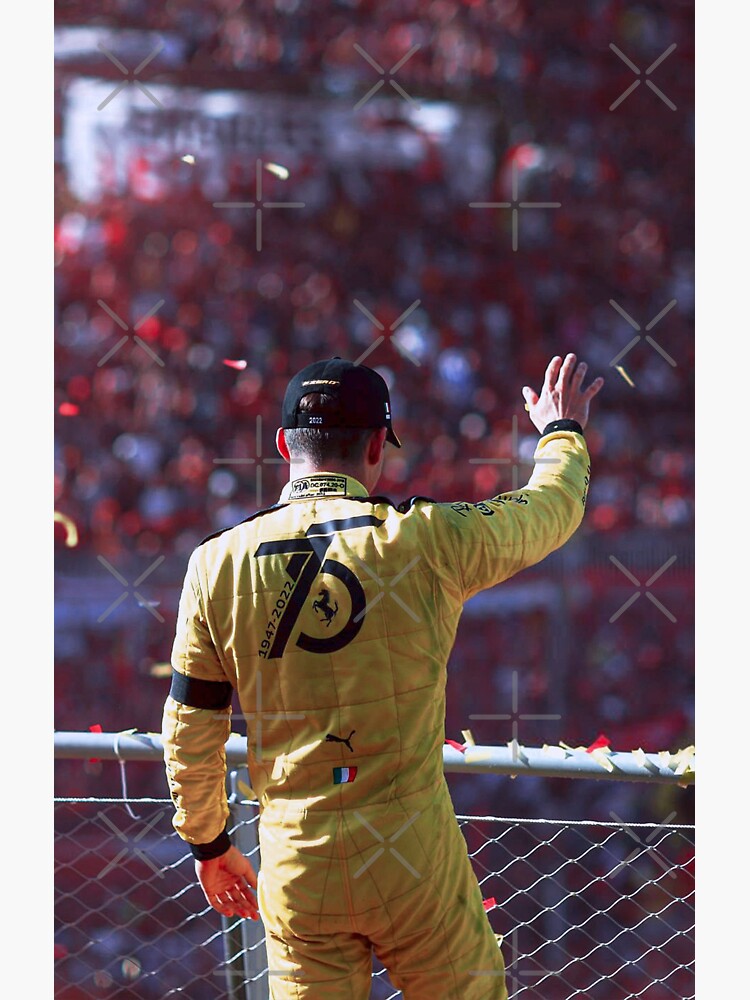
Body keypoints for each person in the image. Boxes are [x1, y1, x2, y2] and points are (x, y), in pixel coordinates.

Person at [162, 352, 603, 999]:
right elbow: (550, 508)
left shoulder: (213, 564)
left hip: (298, 865)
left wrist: (208, 842)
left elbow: (190, 728)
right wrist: (560, 431)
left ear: (284, 445)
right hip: (413, 860)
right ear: (377, 447)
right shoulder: (426, 538)